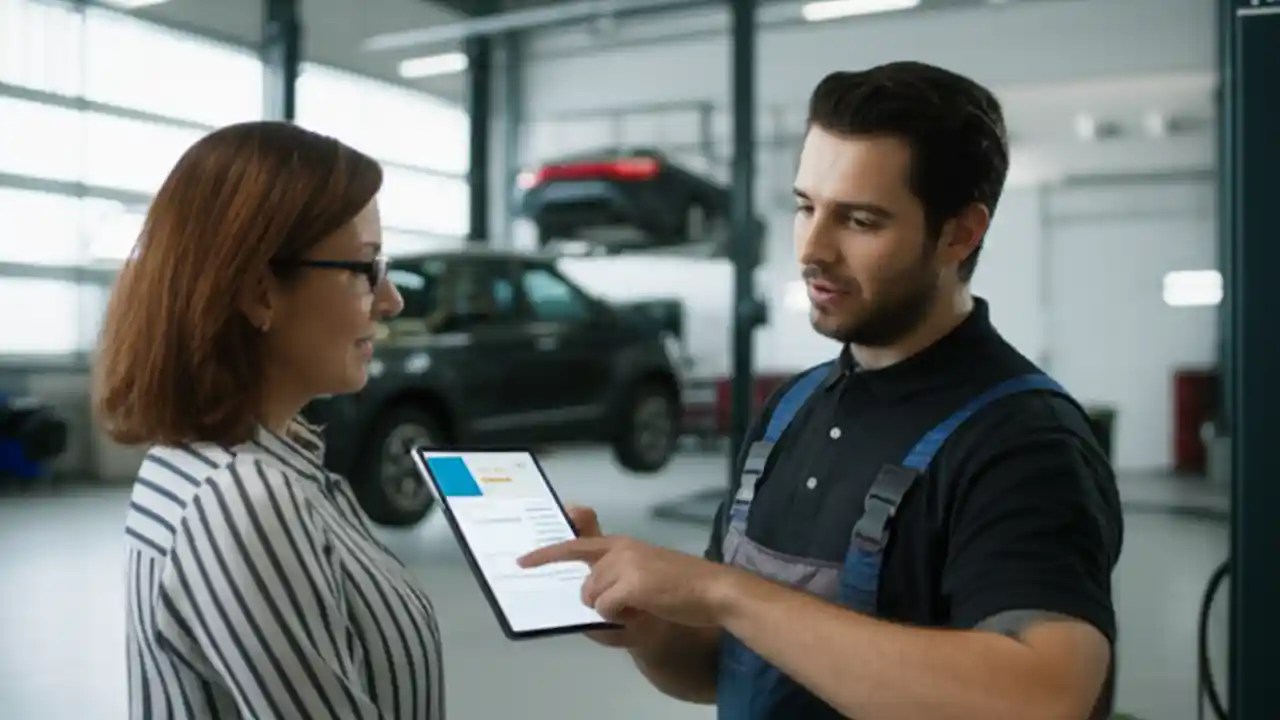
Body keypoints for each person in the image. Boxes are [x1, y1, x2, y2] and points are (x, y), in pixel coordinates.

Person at [519, 61, 1124, 720]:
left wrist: (725, 591)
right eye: (806, 207)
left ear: (960, 233)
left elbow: (1043, 697)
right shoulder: (792, 410)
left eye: (860, 221)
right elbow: (715, 669)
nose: (812, 248)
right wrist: (644, 623)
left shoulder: (1025, 442)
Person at [94, 121, 448, 720]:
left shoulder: (200, 460)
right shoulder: (242, 499)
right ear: (260, 291)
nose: (390, 301)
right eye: (365, 269)